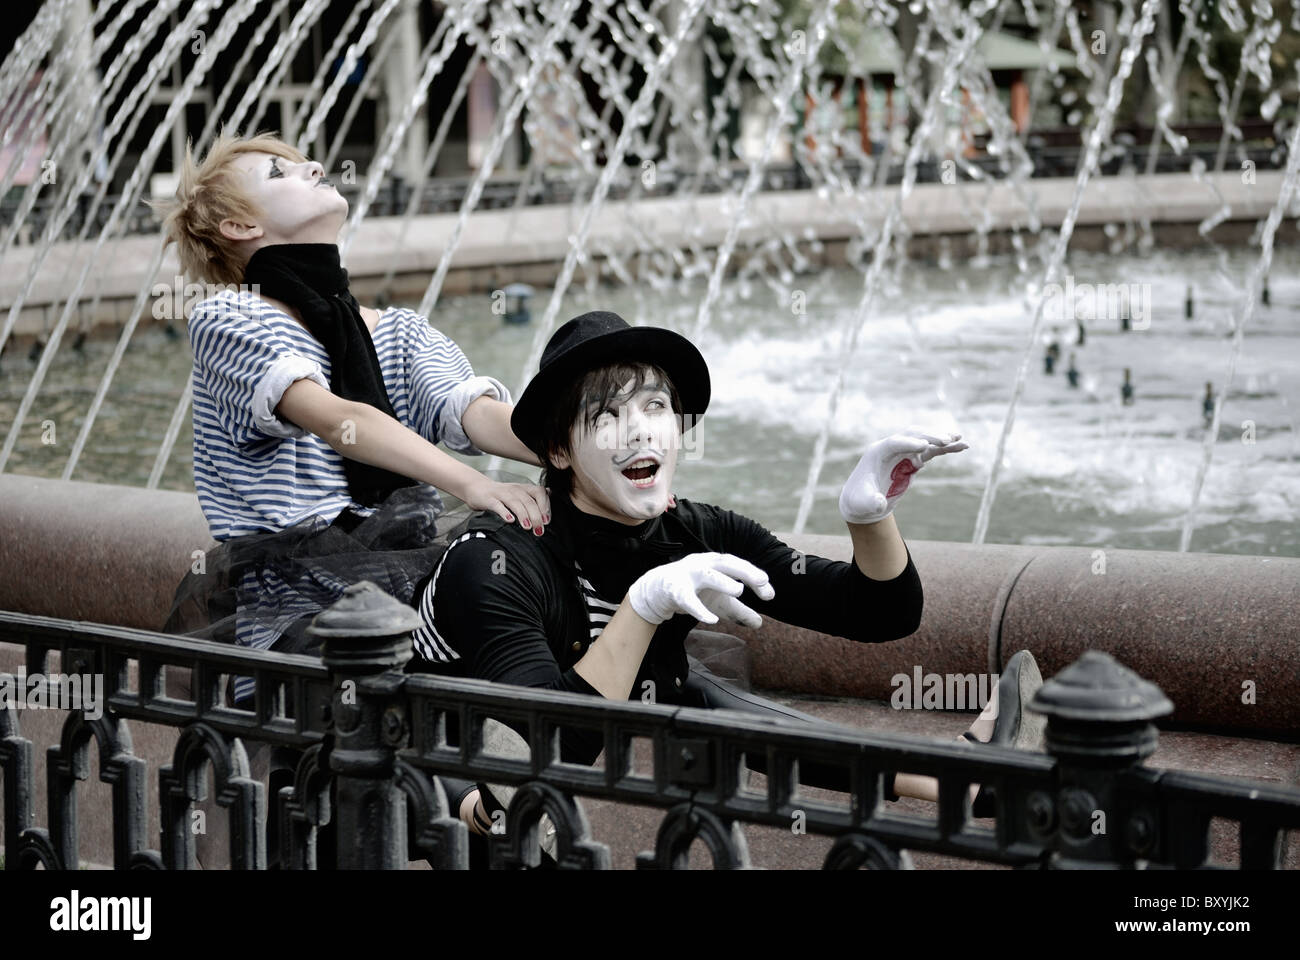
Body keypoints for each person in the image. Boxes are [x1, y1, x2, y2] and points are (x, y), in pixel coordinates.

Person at [410, 311, 1047, 845]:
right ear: (558, 451)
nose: (639, 428)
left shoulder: (694, 532)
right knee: (497, 801)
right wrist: (644, 605)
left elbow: (878, 613)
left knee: (702, 700)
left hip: (580, 755)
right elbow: (541, 747)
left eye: (656, 406)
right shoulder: (492, 560)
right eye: (606, 415)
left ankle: (959, 781)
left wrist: (870, 517)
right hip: (432, 779)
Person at [151, 129, 550, 705]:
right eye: (278, 173)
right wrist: (476, 484)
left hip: (412, 587)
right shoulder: (230, 318)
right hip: (300, 615)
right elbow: (339, 419)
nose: (313, 166)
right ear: (240, 227)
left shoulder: (396, 331)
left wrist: (577, 448)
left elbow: (473, 411)